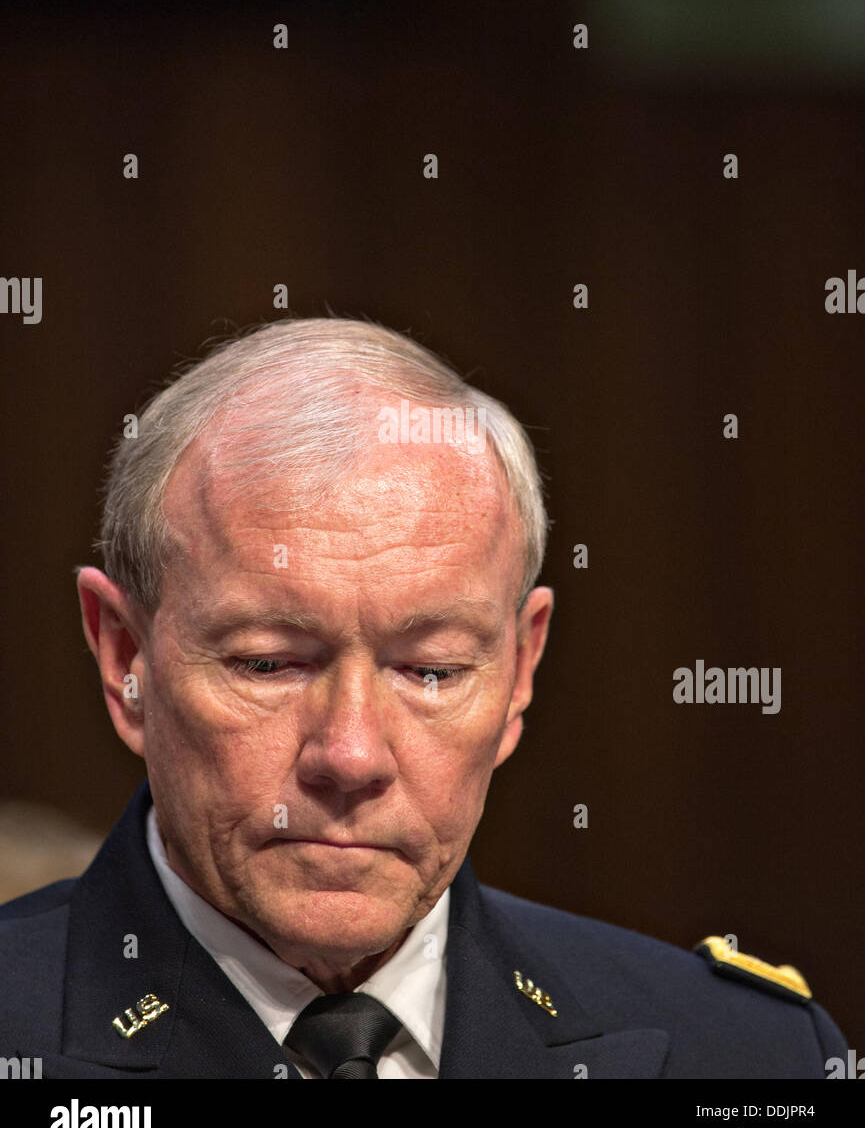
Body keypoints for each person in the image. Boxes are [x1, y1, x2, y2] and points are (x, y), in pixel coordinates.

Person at [0, 318, 847, 1079]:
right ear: (125, 658)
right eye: (267, 664)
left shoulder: (750, 1058)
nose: (352, 756)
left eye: (431, 670)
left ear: (519, 670)